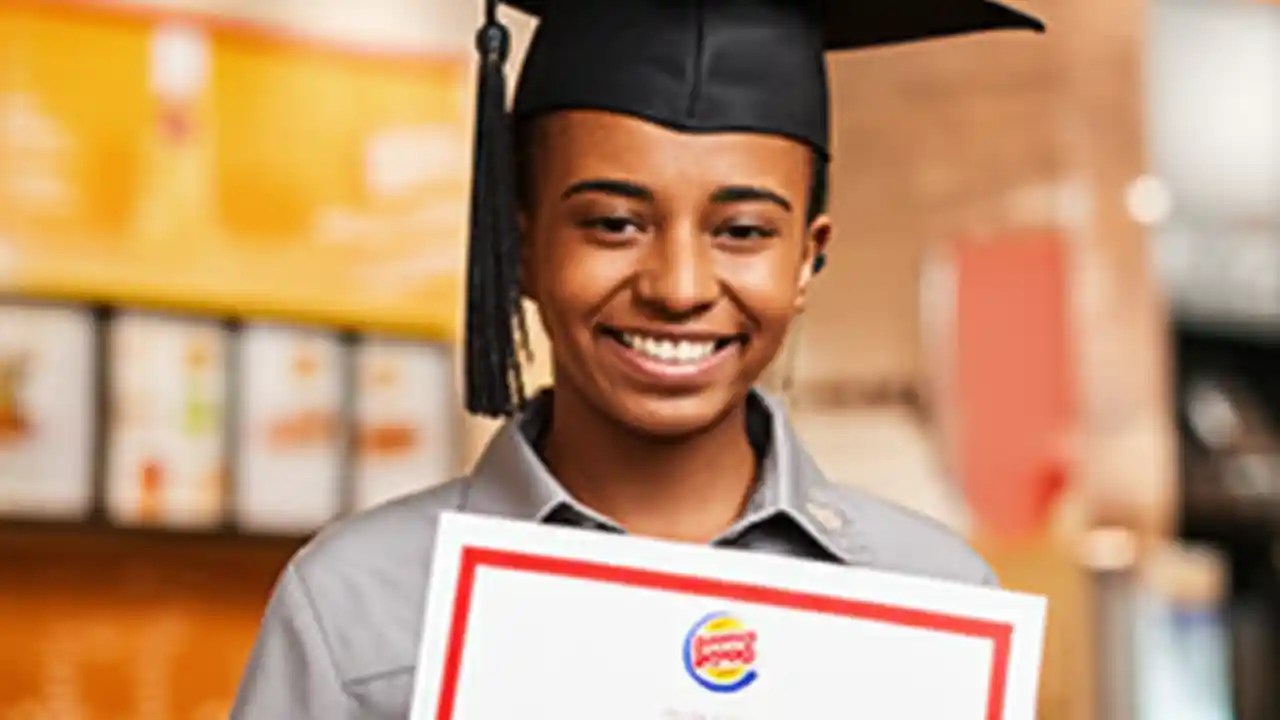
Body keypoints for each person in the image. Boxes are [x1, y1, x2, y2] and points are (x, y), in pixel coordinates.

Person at [232, 0, 1043, 716]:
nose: (679, 288)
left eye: (743, 232)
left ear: (806, 257)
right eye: (614, 224)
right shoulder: (358, 607)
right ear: (520, 246)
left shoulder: (932, 604)